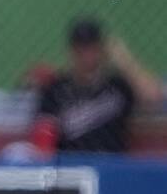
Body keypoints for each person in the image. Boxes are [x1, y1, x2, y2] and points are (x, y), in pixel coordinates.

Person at [29, 18, 163, 155]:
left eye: (92, 48)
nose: (87, 55)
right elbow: (43, 139)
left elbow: (154, 97)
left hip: (112, 165)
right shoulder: (55, 88)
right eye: (81, 49)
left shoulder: (117, 85)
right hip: (74, 167)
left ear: (103, 50)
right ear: (71, 51)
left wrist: (124, 61)